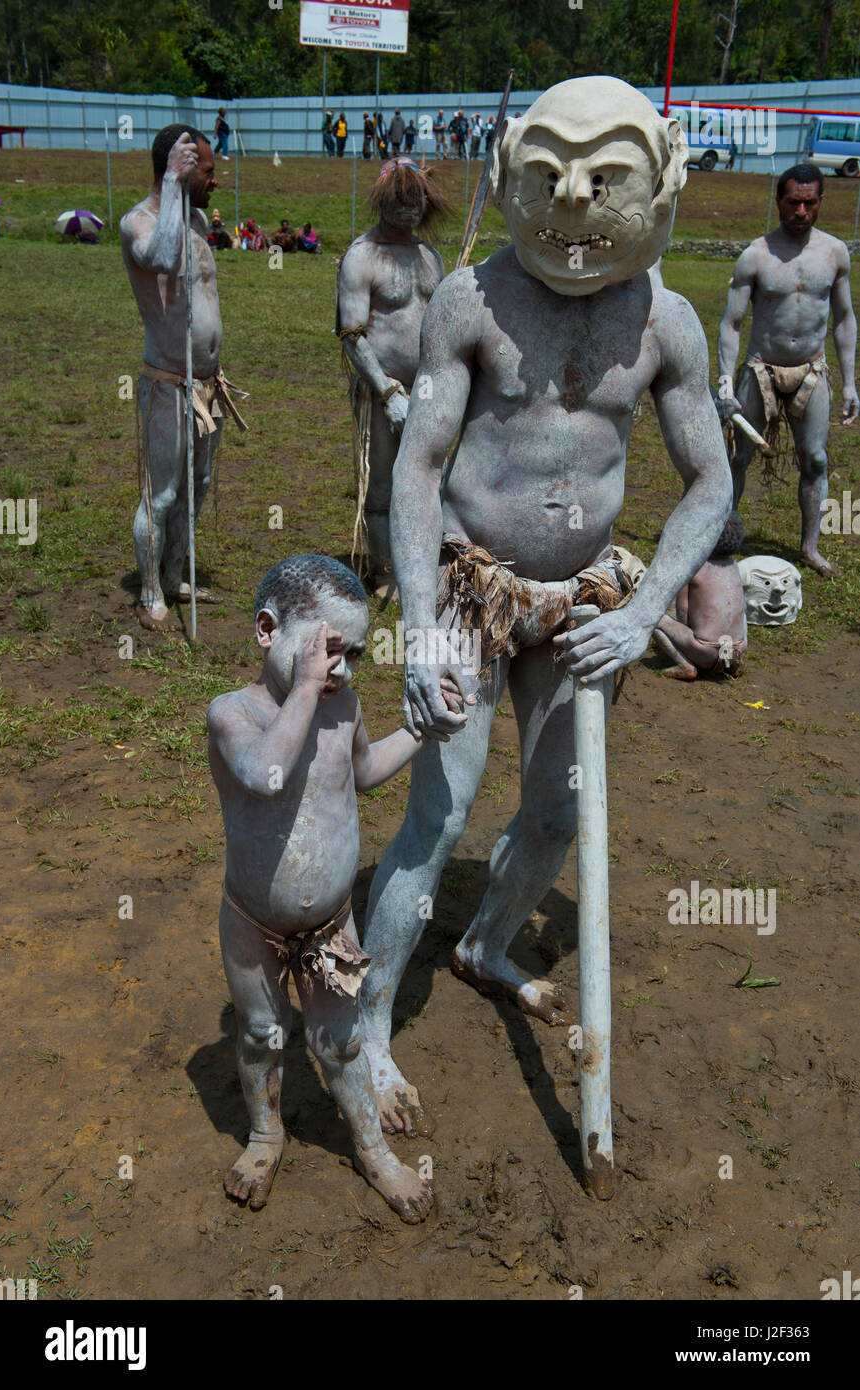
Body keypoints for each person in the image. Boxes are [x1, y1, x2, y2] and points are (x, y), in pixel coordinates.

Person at [358, 77, 733, 1136]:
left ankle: (482, 945)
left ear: (654, 189)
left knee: (557, 809)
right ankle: (367, 1028)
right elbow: (419, 469)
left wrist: (648, 603)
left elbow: (708, 479)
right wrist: (423, 623)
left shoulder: (666, 319)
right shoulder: (468, 302)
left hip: (588, 606)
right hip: (475, 593)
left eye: (604, 179)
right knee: (436, 814)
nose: (576, 208)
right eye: (554, 179)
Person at [208, 554, 434, 1222]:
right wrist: (306, 688)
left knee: (340, 1041)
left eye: (355, 654)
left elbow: (362, 772)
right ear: (266, 630)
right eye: (329, 651)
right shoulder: (233, 715)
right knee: (258, 1033)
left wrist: (422, 730)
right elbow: (268, 774)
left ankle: (371, 1150)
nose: (341, 670)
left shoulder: (344, 708)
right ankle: (265, 1132)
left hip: (332, 923)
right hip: (253, 922)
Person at [120, 126, 248, 631]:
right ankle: (150, 592)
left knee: (198, 484)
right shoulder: (139, 223)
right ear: (178, 167)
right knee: (164, 492)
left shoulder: (194, 218)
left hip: (206, 384)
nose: (216, 181)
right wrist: (172, 182)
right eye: (208, 170)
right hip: (168, 382)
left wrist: (181, 190)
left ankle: (173, 576)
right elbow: (161, 258)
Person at [717, 162, 858, 575]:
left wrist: (849, 384)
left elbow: (845, 319)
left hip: (811, 372)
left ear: (819, 203)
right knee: (738, 458)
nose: (801, 212)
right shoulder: (755, 256)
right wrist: (726, 379)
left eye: (810, 203)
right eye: (793, 202)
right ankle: (721, 535)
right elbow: (731, 321)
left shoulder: (834, 253)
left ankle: (810, 547)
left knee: (814, 459)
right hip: (760, 369)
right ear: (779, 201)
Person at [336, 158, 450, 600]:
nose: (410, 206)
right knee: (383, 483)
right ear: (383, 199)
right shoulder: (362, 256)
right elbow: (352, 333)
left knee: (427, 480)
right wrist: (386, 392)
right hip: (381, 390)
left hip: (428, 390)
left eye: (417, 197)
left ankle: (420, 562)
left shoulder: (430, 257)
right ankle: (384, 572)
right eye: (401, 197)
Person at [652, 511, 748, 678]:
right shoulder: (734, 566)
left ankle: (685, 665)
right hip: (737, 647)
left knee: (654, 619)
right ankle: (730, 664)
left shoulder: (694, 568)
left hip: (706, 650)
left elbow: (683, 612)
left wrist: (686, 641)